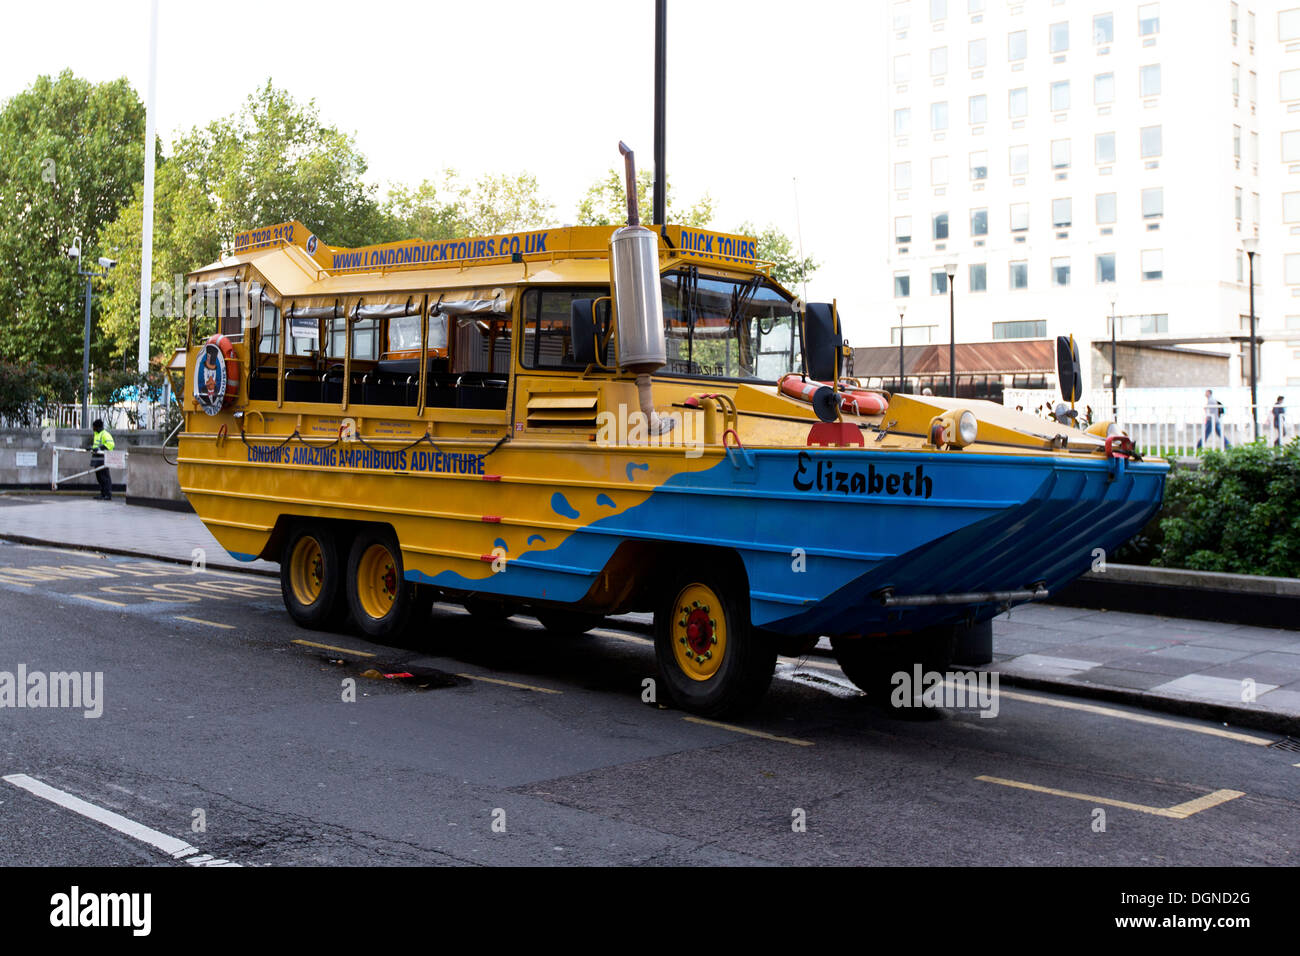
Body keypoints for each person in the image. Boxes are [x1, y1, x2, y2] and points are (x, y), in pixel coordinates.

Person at [89, 419, 115, 500]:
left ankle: (107, 494)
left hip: (103, 458)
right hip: (97, 457)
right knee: (99, 477)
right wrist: (91, 448)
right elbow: (96, 445)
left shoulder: (105, 434)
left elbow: (111, 444)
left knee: (104, 477)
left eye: (94, 426)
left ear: (98, 427)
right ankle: (103, 493)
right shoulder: (97, 434)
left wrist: (100, 448)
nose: (93, 428)